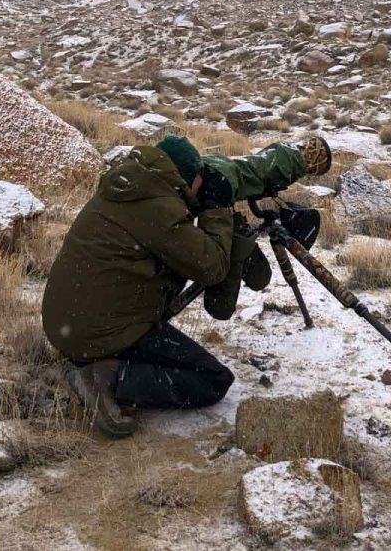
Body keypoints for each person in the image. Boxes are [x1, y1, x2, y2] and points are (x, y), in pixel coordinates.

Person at [40, 133, 330, 436]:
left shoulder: (132, 186)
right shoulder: (159, 209)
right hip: (97, 333)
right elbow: (212, 268)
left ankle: (101, 359)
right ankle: (106, 378)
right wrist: (215, 209)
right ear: (185, 178)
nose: (201, 186)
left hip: (65, 323)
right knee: (212, 380)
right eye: (199, 181)